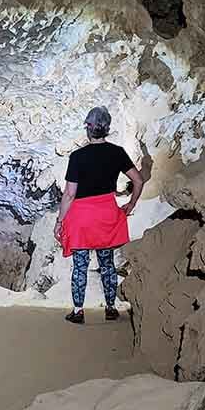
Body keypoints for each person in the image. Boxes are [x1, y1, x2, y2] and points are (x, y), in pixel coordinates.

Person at [53, 106, 143, 324]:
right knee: (107, 264)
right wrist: (130, 204)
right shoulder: (117, 152)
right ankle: (111, 308)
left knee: (80, 266)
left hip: (81, 218)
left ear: (88, 128)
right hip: (106, 215)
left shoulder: (77, 156)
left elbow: (69, 194)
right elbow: (138, 180)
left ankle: (78, 311)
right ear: (107, 129)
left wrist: (59, 221)